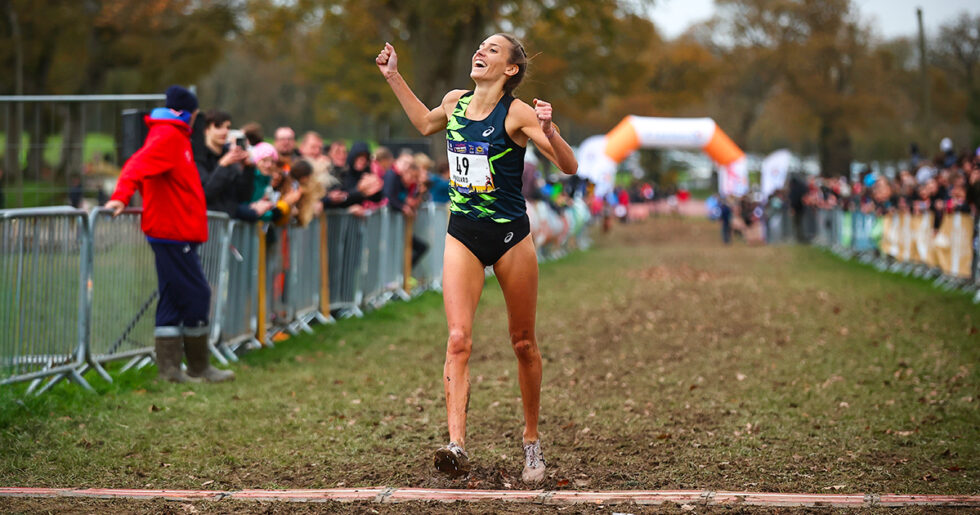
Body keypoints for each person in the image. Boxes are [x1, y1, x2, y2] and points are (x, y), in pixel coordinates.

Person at [376, 33, 578, 482]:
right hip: (462, 234)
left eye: (491, 50)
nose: (479, 52)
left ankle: (531, 442)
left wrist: (549, 131)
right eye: (479, 47)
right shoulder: (454, 103)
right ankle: (456, 445)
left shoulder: (518, 112)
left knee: (523, 343)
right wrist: (393, 76)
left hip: (509, 236)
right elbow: (426, 124)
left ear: (510, 69)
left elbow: (568, 166)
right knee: (458, 338)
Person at [103, 85, 234, 384]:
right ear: (192, 114)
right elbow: (137, 164)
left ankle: (170, 371)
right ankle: (199, 367)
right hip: (171, 233)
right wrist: (121, 196)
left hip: (178, 232)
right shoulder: (168, 136)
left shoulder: (175, 135)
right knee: (198, 293)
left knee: (172, 298)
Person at [194, 110, 255, 218]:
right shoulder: (198, 158)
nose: (224, 132)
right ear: (206, 130)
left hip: (227, 226)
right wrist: (222, 165)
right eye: (218, 126)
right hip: (207, 224)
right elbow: (206, 193)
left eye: (227, 127)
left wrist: (248, 169)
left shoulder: (231, 158)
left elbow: (243, 196)